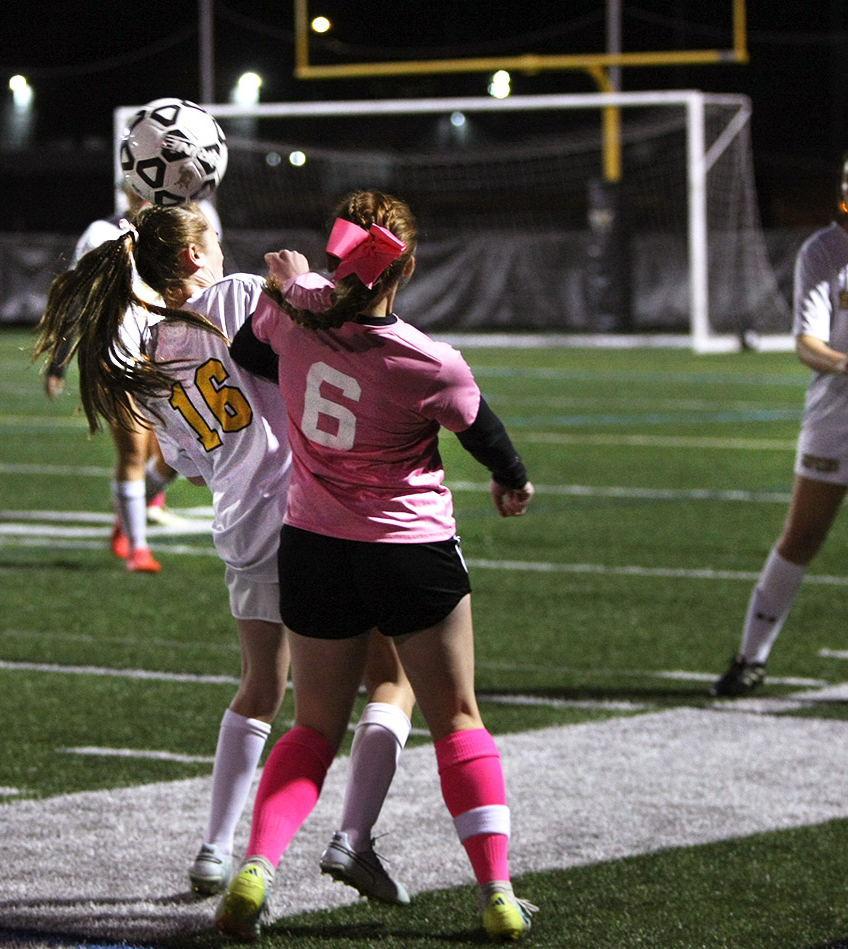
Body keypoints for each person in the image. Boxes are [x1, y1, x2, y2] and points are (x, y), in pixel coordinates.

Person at [33, 200, 415, 904]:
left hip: (239, 525)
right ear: (191, 257)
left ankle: (213, 849)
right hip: (312, 516)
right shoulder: (236, 295)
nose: (222, 248)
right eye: (212, 239)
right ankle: (353, 836)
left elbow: (187, 461)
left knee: (259, 688)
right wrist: (327, 269)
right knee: (387, 680)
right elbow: (337, 319)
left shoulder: (148, 352)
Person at [215, 190, 537, 942]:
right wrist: (513, 479)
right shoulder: (430, 359)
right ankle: (496, 891)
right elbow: (486, 435)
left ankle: (256, 866)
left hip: (315, 546)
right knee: (457, 718)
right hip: (407, 551)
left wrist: (294, 292)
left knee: (313, 726)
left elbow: (251, 353)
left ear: (334, 254)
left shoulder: (292, 314)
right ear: (408, 267)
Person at [711, 136, 848, 697]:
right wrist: (842, 361)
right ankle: (751, 657)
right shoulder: (822, 253)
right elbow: (806, 343)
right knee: (802, 536)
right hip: (839, 411)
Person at [42, 182, 179, 573]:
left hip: (166, 356)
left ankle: (126, 514)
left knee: (178, 456)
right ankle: (138, 548)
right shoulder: (103, 233)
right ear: (129, 188)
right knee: (134, 452)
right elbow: (75, 295)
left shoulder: (173, 231)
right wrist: (59, 360)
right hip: (114, 357)